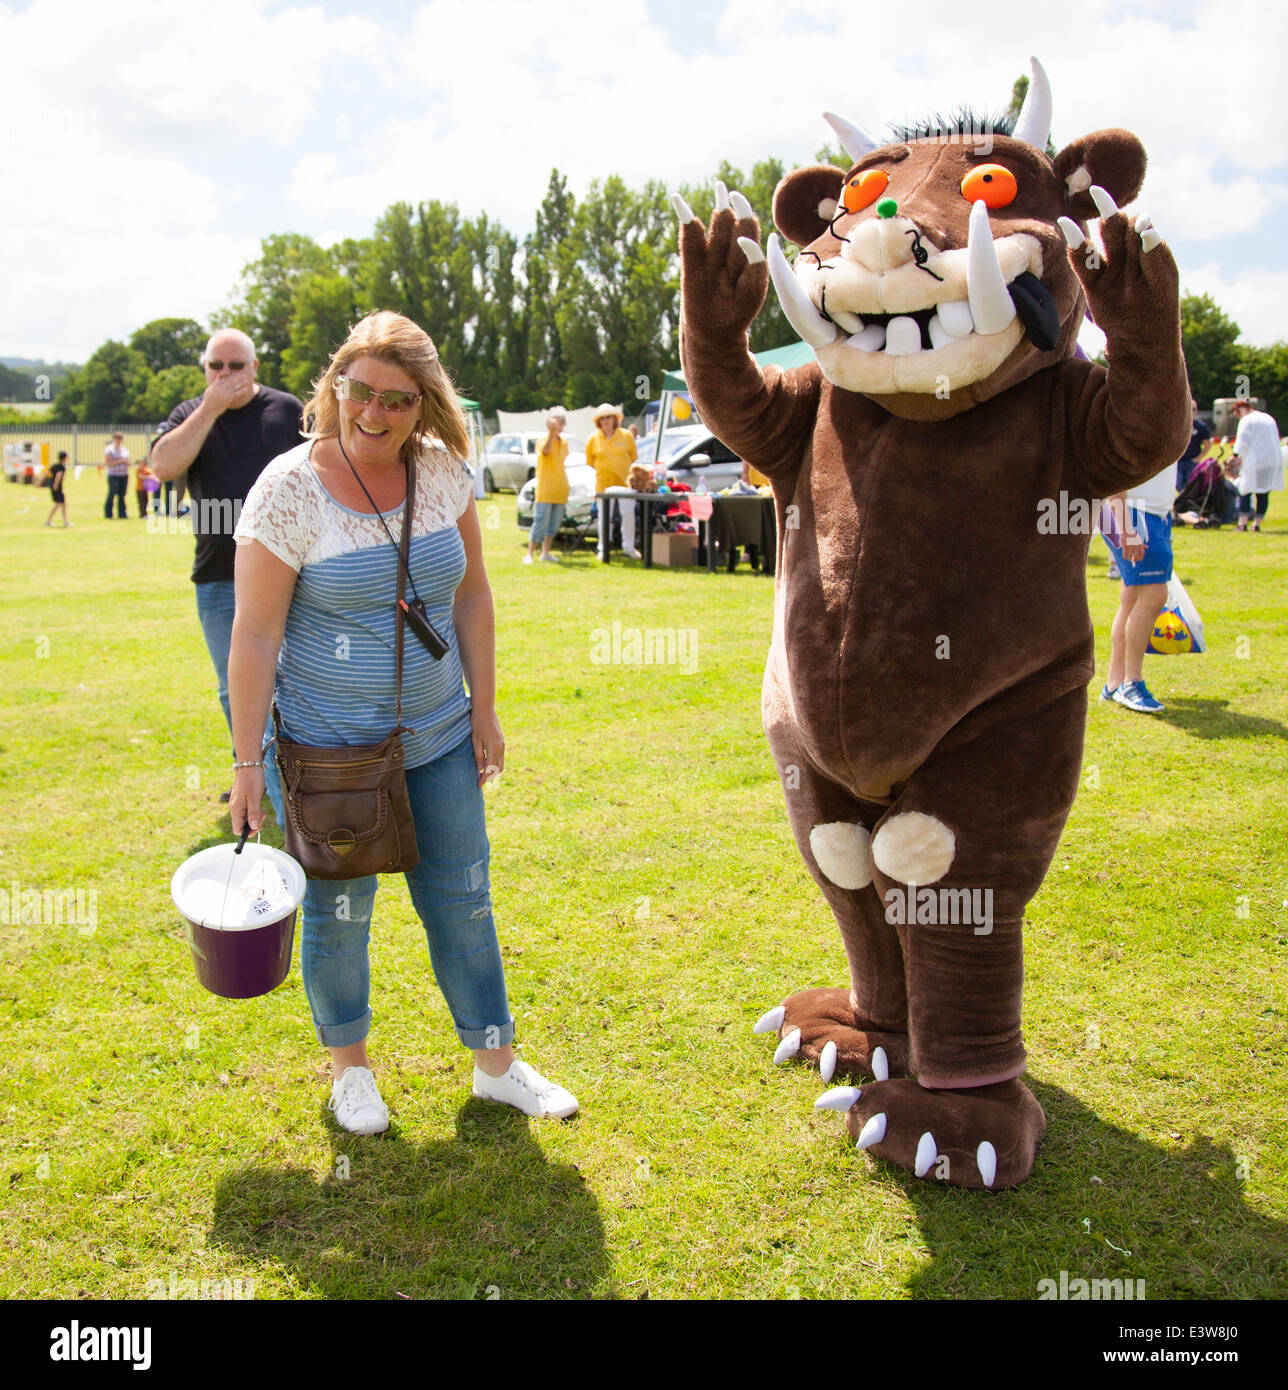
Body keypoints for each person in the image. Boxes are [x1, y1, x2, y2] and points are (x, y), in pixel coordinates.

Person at [228, 310, 578, 1134]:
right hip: (330, 749)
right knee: (341, 917)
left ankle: (496, 1065)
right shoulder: (288, 489)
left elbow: (472, 595)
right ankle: (351, 1073)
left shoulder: (445, 470)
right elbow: (255, 632)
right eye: (362, 393)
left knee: (464, 899)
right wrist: (249, 762)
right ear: (335, 386)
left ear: (425, 407)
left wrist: (483, 709)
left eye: (399, 401)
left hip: (439, 734)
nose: (375, 416)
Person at [148, 329, 304, 794]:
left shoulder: (285, 410)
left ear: (255, 368)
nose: (225, 375)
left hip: (288, 571)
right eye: (216, 366)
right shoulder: (189, 414)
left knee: (291, 682)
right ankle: (255, 776)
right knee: (233, 685)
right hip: (218, 575)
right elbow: (162, 467)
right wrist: (210, 407)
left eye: (236, 366)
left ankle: (294, 780)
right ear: (204, 370)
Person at [1098, 458, 1177, 713]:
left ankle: (1116, 681)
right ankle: (1130, 684)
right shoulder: (1144, 417)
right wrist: (1126, 527)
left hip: (1149, 513)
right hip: (1135, 513)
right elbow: (1116, 467)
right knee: (1154, 596)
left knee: (1131, 598)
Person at [586, 403, 638, 559]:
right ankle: (603, 548)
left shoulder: (626, 436)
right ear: (599, 421)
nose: (606, 421)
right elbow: (590, 461)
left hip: (625, 484)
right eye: (602, 418)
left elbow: (634, 457)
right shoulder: (593, 438)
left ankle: (628, 547)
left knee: (628, 515)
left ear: (615, 419)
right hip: (603, 484)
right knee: (604, 518)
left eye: (608, 417)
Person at [1229, 398, 1283, 532]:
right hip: (1273, 460)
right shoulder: (1267, 417)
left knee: (1245, 490)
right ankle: (1256, 525)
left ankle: (1242, 524)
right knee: (1263, 492)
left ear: (1240, 410)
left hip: (1256, 461)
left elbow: (1242, 442)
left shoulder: (1246, 420)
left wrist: (1234, 456)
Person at [525, 408, 568, 564]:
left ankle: (545, 553)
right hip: (545, 490)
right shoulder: (543, 440)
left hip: (560, 490)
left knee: (554, 525)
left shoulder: (564, 443)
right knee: (540, 521)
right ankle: (530, 554)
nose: (558, 425)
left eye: (560, 422)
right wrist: (551, 433)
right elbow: (545, 451)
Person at [1175, 398, 1210, 491]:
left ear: (1196, 410)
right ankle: (1184, 502)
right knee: (1178, 484)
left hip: (1192, 461)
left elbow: (1207, 444)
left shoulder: (1201, 426)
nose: (1191, 411)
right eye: (1189, 408)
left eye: (1193, 409)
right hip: (1179, 461)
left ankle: (1188, 503)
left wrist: (1198, 458)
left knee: (1191, 485)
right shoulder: (1179, 424)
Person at [102, 432, 129, 518]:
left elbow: (128, 461)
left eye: (120, 438)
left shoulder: (124, 450)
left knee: (122, 495)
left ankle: (122, 513)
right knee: (112, 493)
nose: (119, 440)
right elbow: (107, 463)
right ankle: (108, 513)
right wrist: (120, 461)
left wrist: (127, 463)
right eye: (117, 438)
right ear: (114, 439)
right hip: (113, 475)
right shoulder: (109, 450)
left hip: (123, 474)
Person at [44, 450, 70, 527]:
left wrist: (40, 482)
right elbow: (58, 475)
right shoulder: (62, 467)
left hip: (53, 487)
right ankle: (48, 521)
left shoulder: (54, 465)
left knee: (63, 504)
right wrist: (55, 484)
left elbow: (46, 472)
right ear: (64, 458)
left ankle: (65, 522)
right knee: (57, 504)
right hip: (57, 487)